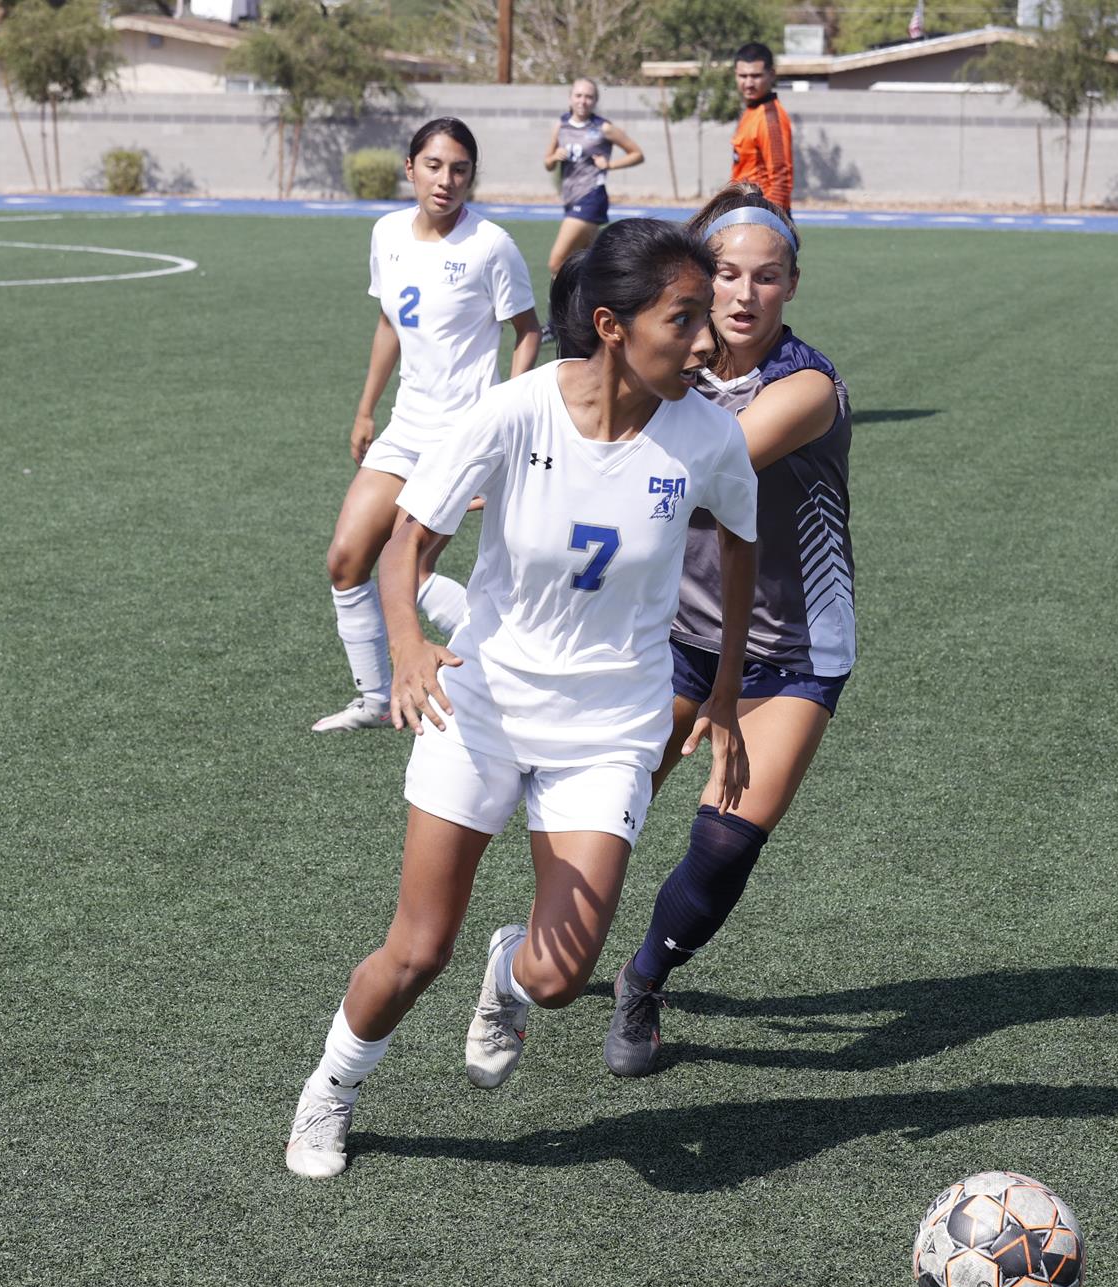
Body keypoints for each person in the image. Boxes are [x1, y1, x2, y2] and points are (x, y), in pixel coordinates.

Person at [285, 220, 761, 1179]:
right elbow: (406, 537)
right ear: (611, 325)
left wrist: (725, 684)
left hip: (610, 727)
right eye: (684, 318)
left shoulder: (708, 434)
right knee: (417, 951)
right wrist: (411, 643)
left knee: (556, 975)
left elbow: (742, 547)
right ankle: (330, 1090)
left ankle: (507, 971)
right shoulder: (513, 413)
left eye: (707, 318)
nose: (707, 342)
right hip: (486, 702)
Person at [602, 183, 855, 1078]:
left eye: (768, 277)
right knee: (608, 815)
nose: (745, 294)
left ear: (792, 286)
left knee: (722, 840)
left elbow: (711, 467)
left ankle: (645, 979)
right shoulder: (671, 369)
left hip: (792, 652)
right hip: (678, 639)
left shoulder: (806, 387)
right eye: (726, 275)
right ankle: (548, 946)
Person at [315, 116, 543, 734]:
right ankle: (371, 699)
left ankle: (503, 665)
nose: (446, 180)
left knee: (408, 571)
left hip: (461, 437)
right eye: (434, 166)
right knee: (345, 561)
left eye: (460, 169)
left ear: (472, 176)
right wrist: (366, 407)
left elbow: (528, 331)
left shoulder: (489, 245)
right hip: (404, 427)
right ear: (410, 168)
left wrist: (502, 425)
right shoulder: (387, 233)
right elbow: (389, 323)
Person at [542, 78, 644, 278]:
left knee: (556, 263)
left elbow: (637, 154)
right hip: (570, 199)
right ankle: (598, 299)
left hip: (590, 197)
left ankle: (562, 307)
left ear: (595, 100)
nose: (583, 101)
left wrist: (610, 165)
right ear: (570, 98)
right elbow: (548, 163)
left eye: (589, 97)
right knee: (588, 263)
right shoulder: (561, 125)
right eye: (578, 95)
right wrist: (554, 157)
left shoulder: (603, 128)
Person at [729, 43, 795, 214]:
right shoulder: (752, 111)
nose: (748, 83)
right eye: (743, 76)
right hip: (745, 212)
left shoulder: (770, 117)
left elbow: (780, 179)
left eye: (756, 76)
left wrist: (770, 224)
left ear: (771, 75)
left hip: (762, 217)